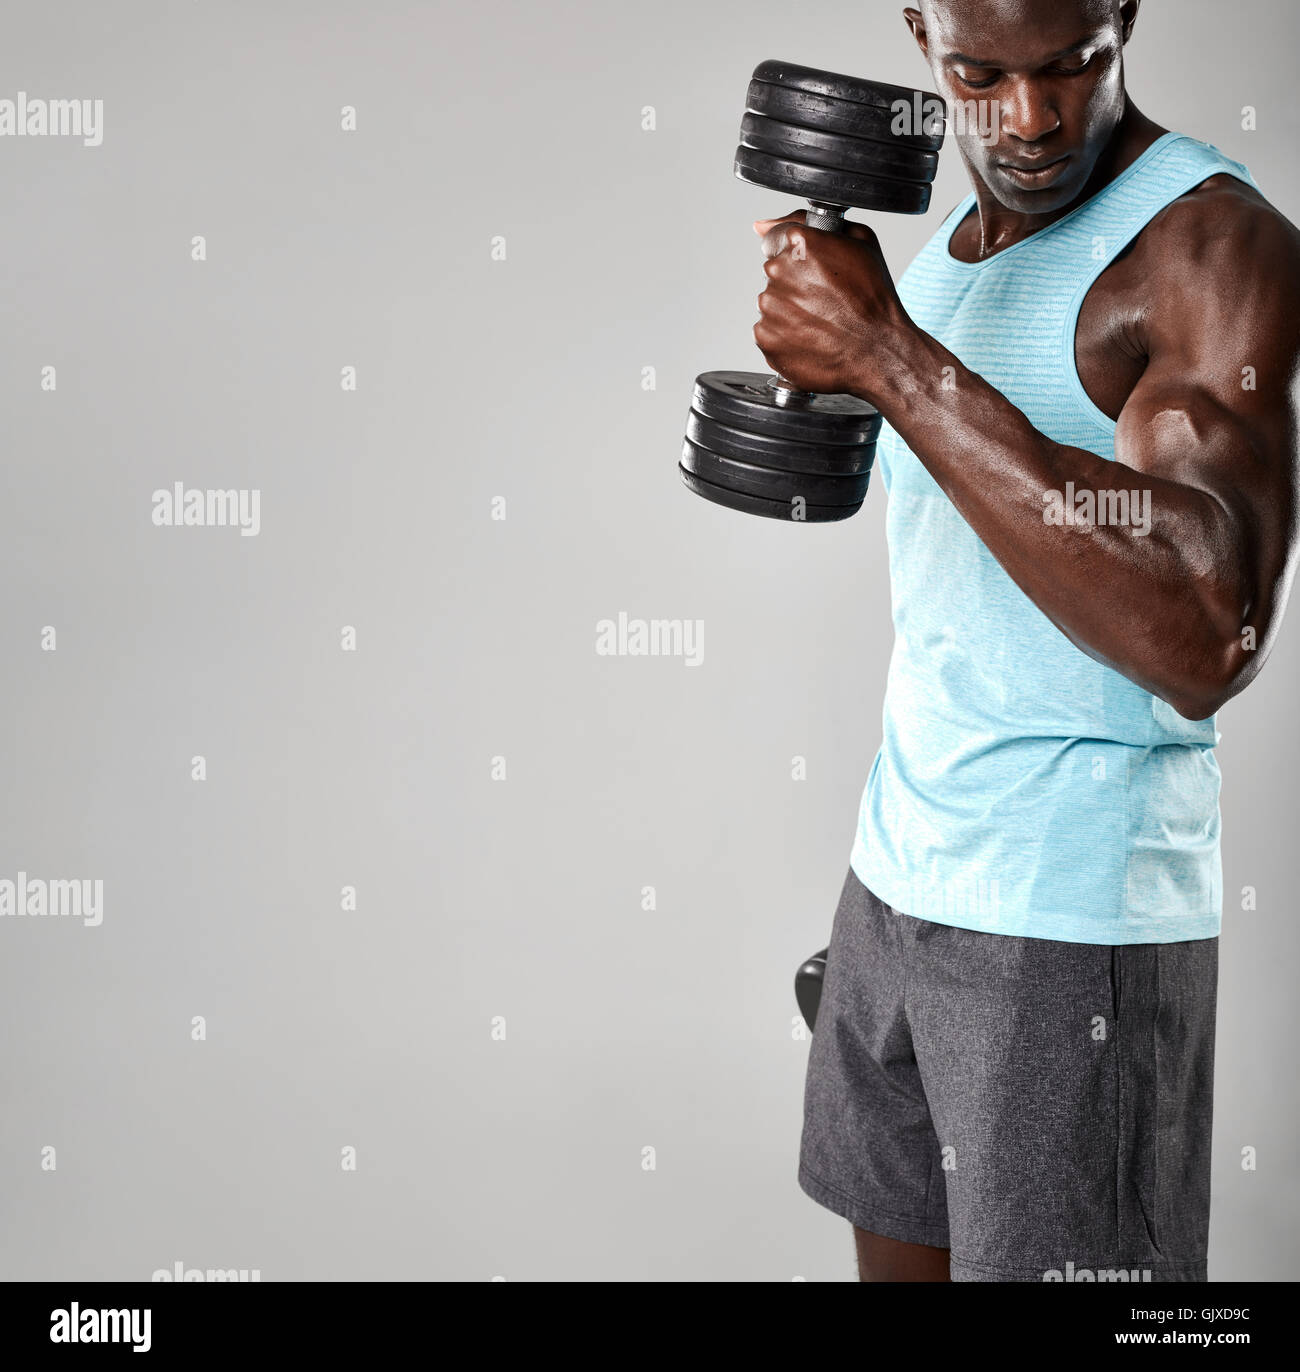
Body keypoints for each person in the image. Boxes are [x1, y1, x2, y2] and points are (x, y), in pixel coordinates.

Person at [753, 0, 1300, 1281]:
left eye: (1069, 66)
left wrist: (889, 356)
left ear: (1123, 13)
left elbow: (1209, 630)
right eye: (979, 74)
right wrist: (827, 360)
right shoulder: (939, 250)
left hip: (1069, 928)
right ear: (917, 29)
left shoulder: (1211, 248)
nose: (1031, 118)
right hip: (898, 881)